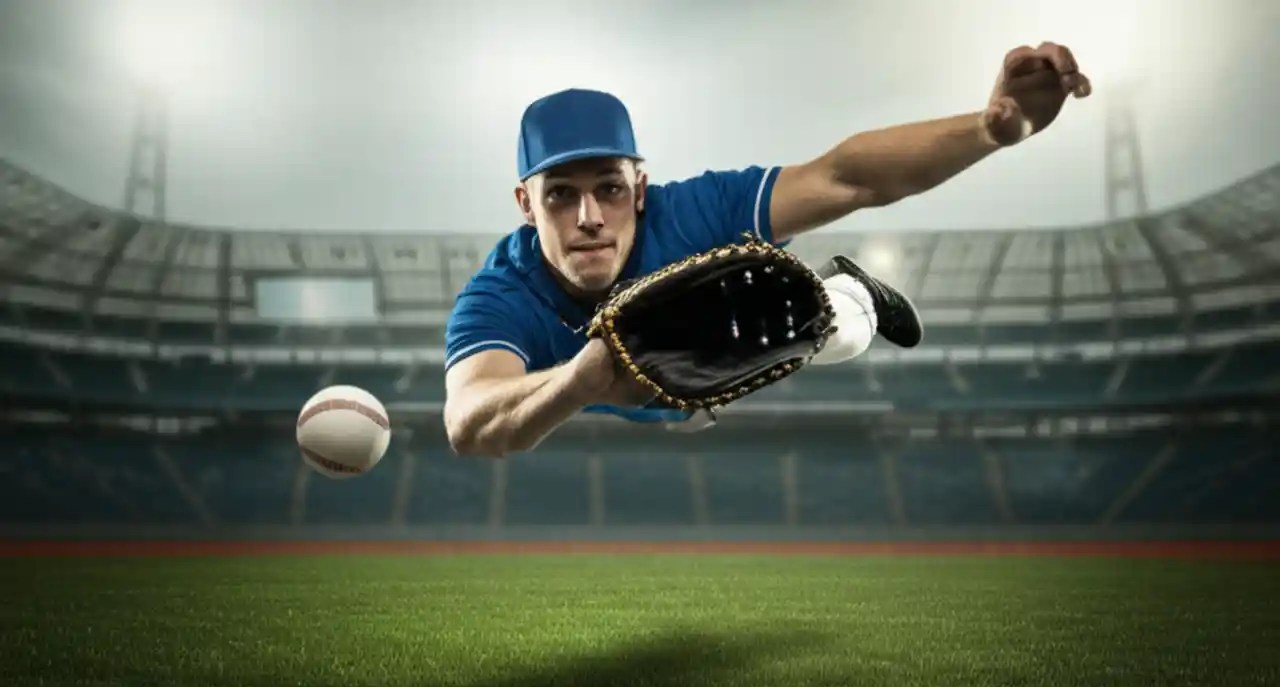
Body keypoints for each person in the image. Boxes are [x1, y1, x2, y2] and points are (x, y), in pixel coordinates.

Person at [443, 42, 1091, 456]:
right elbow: (469, 424)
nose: (589, 217)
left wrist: (988, 130)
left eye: (609, 188)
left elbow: (846, 176)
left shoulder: (694, 213)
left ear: (639, 188)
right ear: (526, 206)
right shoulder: (501, 292)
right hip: (624, 393)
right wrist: (581, 382)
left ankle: (849, 294)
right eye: (560, 195)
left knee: (824, 327)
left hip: (705, 378)